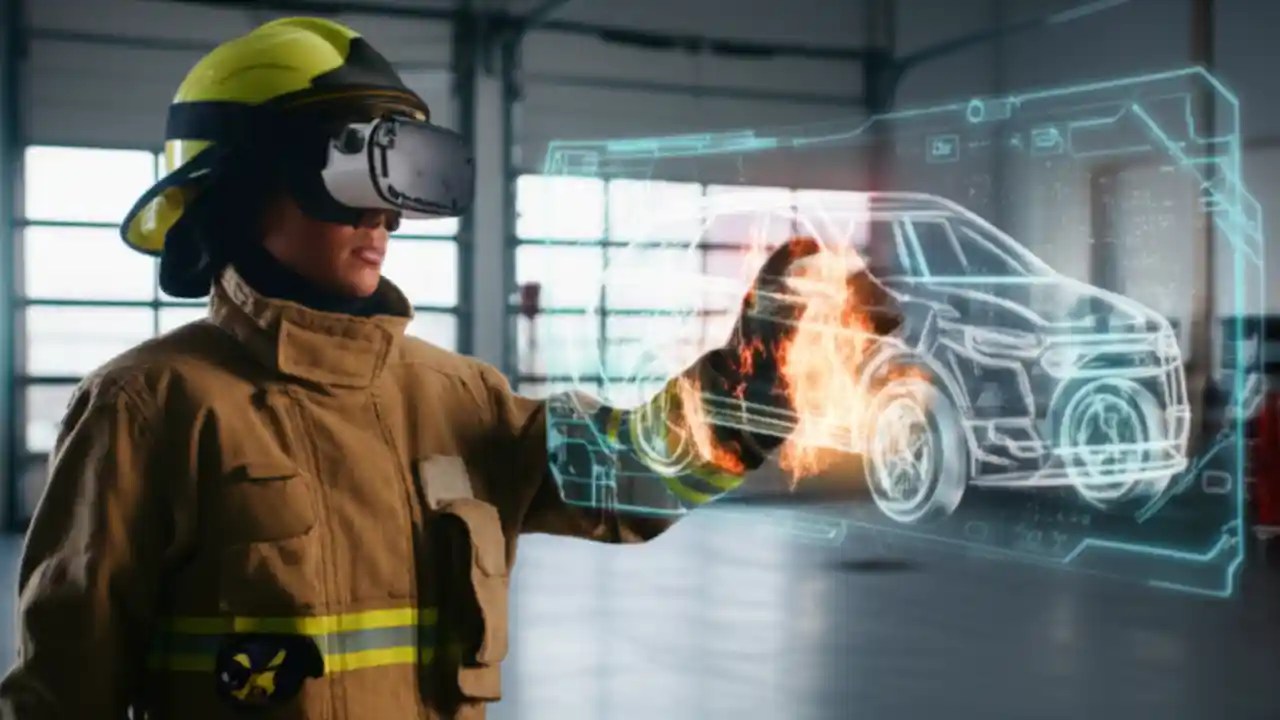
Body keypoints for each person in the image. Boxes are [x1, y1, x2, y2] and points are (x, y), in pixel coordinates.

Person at [0, 17, 899, 719]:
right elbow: (64, 688)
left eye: (402, 179)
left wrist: (751, 383)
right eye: (357, 173)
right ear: (240, 193)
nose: (384, 214)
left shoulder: (457, 397)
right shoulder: (151, 408)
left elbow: (624, 475)